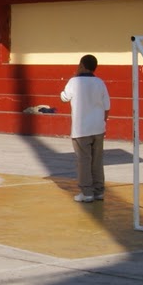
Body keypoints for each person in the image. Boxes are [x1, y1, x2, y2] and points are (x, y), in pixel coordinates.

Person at [60, 53, 110, 202]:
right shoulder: (100, 83)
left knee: (83, 161)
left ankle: (87, 192)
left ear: (81, 65)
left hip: (81, 129)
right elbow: (107, 106)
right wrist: (103, 122)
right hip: (98, 127)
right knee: (97, 160)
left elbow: (64, 97)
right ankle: (99, 191)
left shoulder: (74, 81)